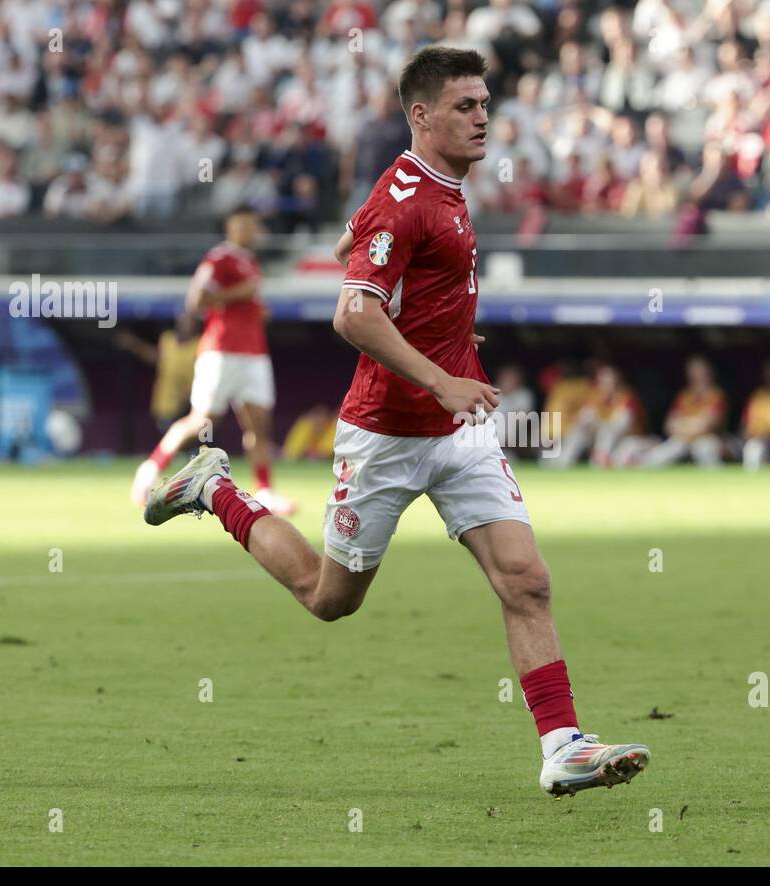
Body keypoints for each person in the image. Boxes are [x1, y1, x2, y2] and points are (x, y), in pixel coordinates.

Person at [142, 47, 649, 799]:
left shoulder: (433, 185)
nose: (483, 118)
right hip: (387, 432)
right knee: (328, 598)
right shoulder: (409, 197)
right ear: (421, 115)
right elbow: (353, 310)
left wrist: (440, 333)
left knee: (527, 580)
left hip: (459, 430)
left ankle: (563, 746)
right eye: (464, 107)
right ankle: (215, 490)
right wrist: (439, 374)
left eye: (484, 104)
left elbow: (354, 247)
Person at [130, 207, 297, 516]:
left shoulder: (251, 262)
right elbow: (196, 299)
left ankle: (265, 491)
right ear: (230, 227)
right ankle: (150, 469)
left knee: (259, 425)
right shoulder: (219, 257)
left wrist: (255, 309)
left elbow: (241, 301)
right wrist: (240, 294)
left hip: (254, 353)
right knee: (202, 421)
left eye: (253, 224)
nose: (249, 230)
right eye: (243, 224)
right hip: (221, 350)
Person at [613, 355, 726, 467]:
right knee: (662, 454)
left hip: (707, 439)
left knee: (705, 447)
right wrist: (693, 425)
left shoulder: (716, 395)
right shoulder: (684, 396)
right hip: (682, 439)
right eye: (693, 370)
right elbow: (669, 425)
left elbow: (709, 425)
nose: (696, 374)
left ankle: (717, 482)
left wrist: (685, 424)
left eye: (700, 370)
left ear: (709, 372)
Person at [115, 311, 200, 433]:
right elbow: (155, 357)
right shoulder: (167, 339)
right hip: (166, 403)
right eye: (183, 322)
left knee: (192, 441)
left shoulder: (199, 344)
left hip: (191, 403)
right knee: (168, 439)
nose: (186, 326)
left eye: (190, 323)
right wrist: (133, 343)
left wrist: (190, 393)